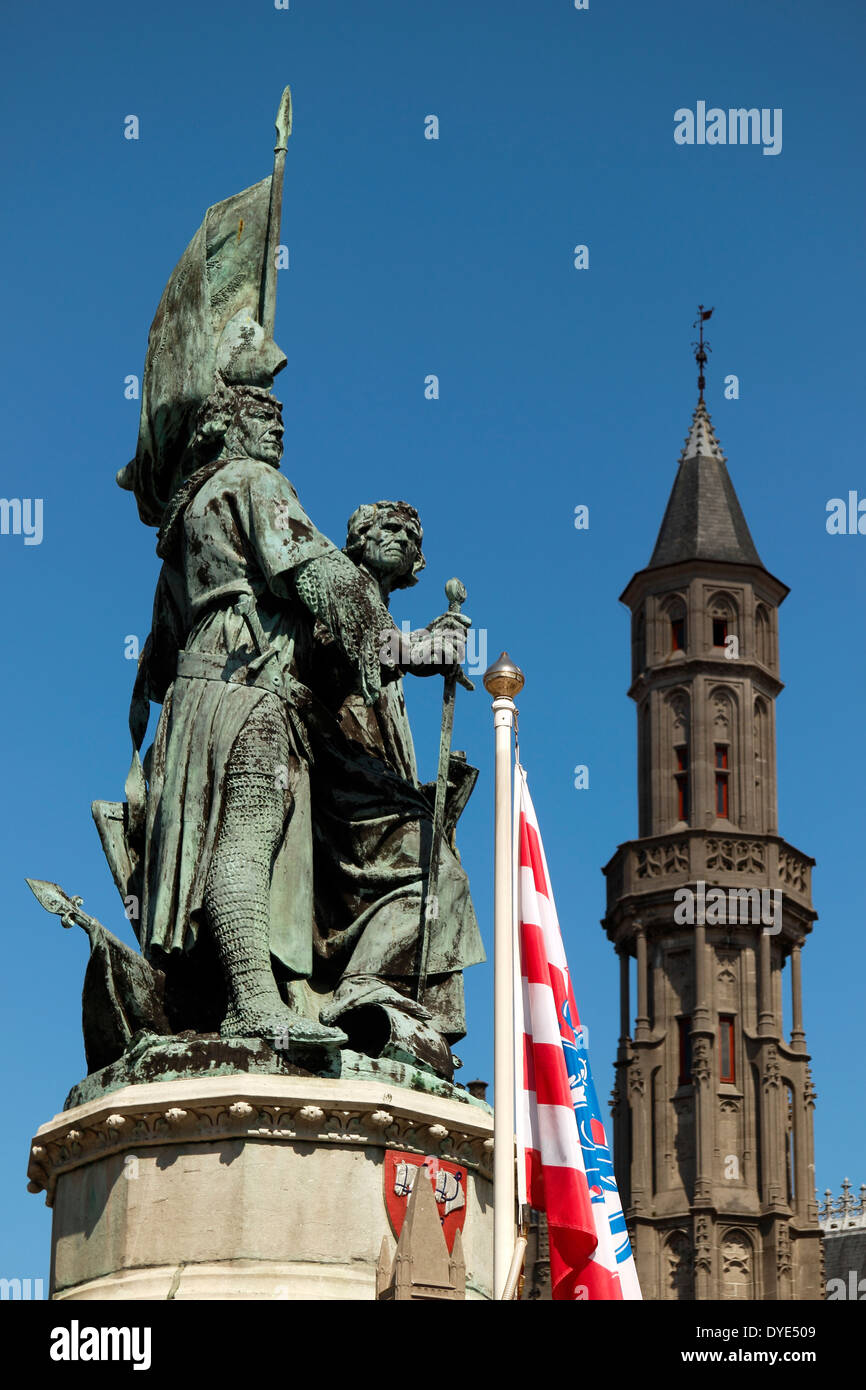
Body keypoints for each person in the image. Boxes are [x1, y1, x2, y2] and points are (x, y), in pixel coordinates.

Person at [131, 378, 397, 1044]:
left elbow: (158, 657)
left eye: (280, 418)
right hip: (252, 684)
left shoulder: (184, 522)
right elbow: (317, 573)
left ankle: (239, 995)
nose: (277, 426)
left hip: (198, 699)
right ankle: (253, 1002)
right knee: (249, 839)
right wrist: (389, 636)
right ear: (223, 430)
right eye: (260, 414)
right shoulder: (253, 480)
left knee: (226, 843)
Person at [305, 500, 485, 1068]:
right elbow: (375, 650)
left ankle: (409, 1007)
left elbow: (389, 650)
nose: (402, 538)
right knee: (438, 873)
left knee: (441, 867)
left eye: (412, 535)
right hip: (332, 770)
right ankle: (362, 984)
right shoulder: (341, 583)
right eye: (389, 528)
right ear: (360, 538)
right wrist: (429, 648)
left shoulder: (376, 607)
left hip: (369, 779)